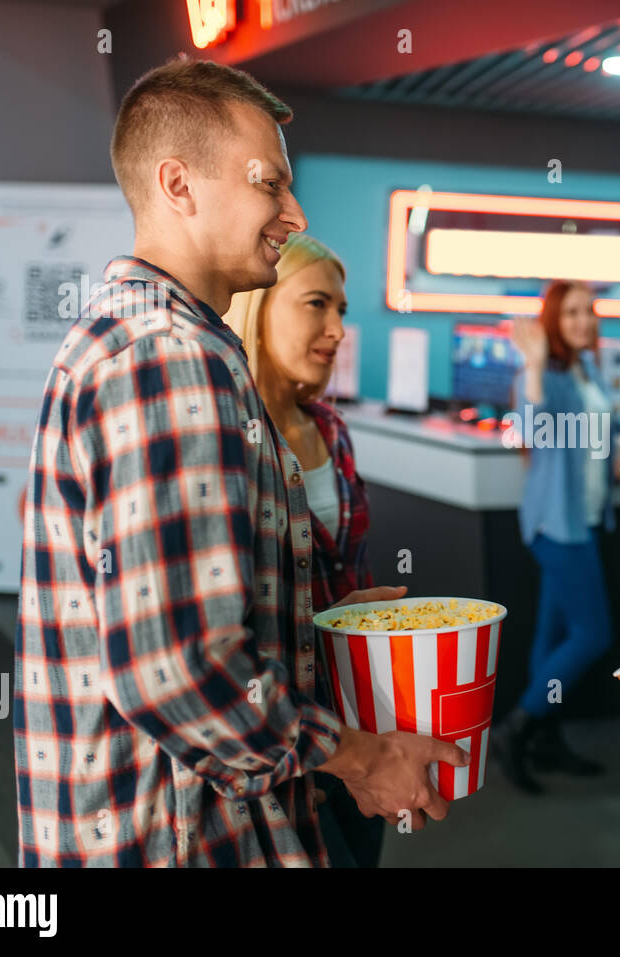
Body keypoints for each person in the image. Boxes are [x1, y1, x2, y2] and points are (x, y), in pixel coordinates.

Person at [14, 57, 466, 867]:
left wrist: (309, 612)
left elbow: (173, 612)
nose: (293, 212)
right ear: (178, 185)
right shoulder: (165, 357)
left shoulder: (145, 338)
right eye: (270, 185)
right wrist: (364, 759)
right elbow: (177, 668)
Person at [223, 232, 385, 867]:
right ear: (261, 304)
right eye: (316, 304)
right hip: (273, 732)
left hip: (356, 722)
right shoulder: (228, 431)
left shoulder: (332, 429)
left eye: (342, 311)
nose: (337, 329)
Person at [491, 281, 620, 793]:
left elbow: (599, 427)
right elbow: (533, 428)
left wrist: (611, 449)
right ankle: (517, 727)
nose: (584, 320)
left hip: (583, 518)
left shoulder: (586, 367)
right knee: (593, 635)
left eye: (588, 310)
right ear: (552, 320)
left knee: (552, 634)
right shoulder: (544, 372)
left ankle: (545, 737)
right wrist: (534, 364)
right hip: (557, 525)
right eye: (571, 312)